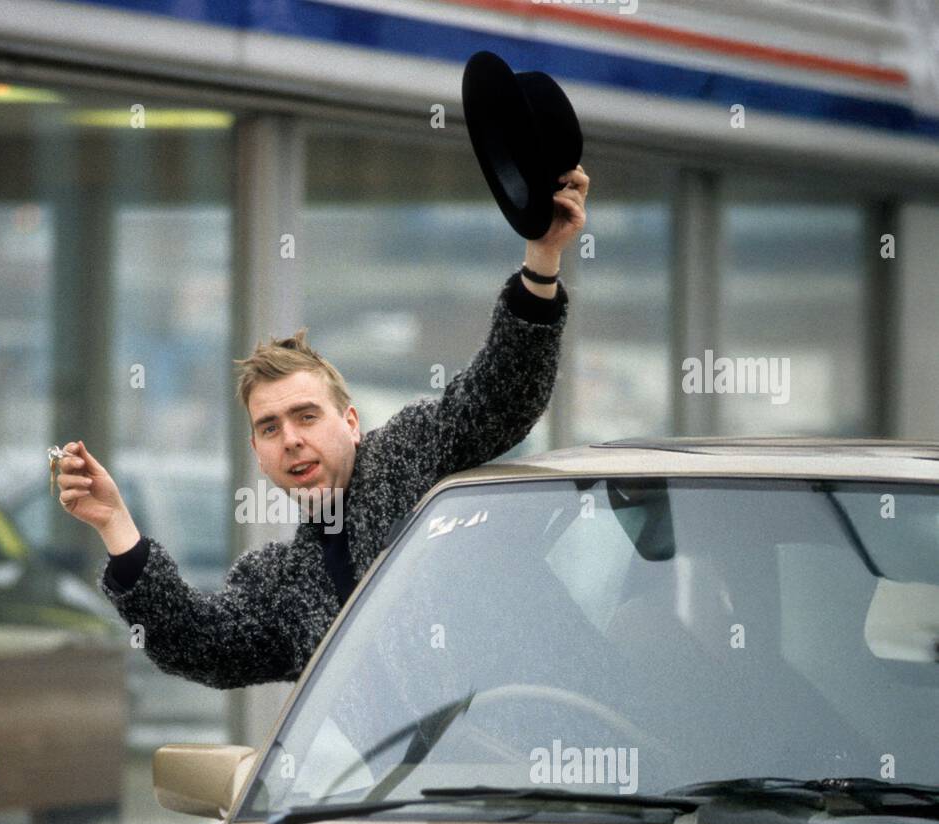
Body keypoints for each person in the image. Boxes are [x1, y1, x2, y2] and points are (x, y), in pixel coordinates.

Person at [54, 165, 589, 690]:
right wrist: (115, 524)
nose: (291, 438)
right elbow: (202, 645)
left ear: (351, 423)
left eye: (307, 416)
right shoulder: (283, 582)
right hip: (410, 780)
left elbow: (500, 396)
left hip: (555, 736)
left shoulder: (412, 453)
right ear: (258, 453)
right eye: (269, 428)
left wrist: (542, 259)